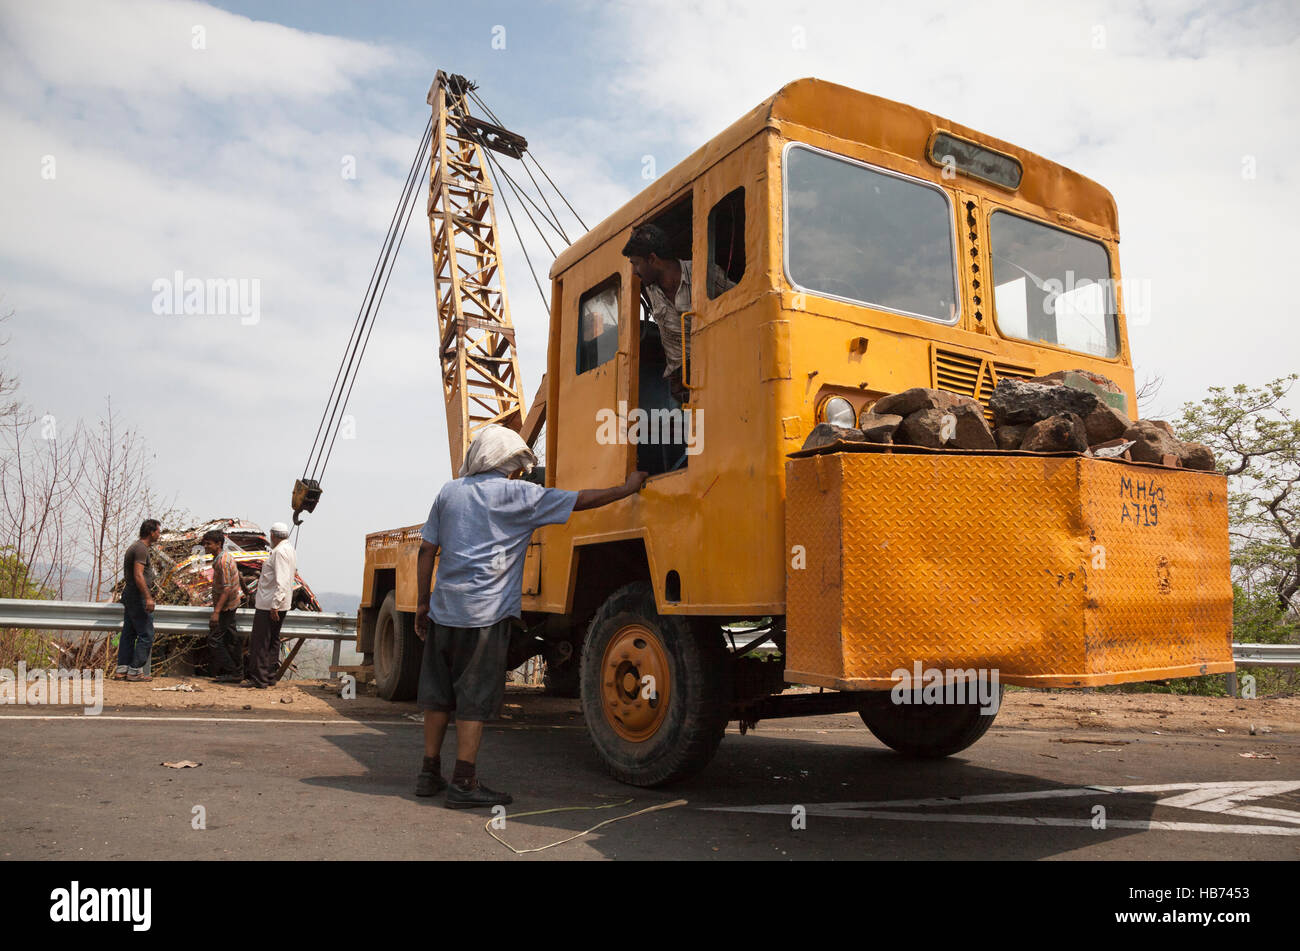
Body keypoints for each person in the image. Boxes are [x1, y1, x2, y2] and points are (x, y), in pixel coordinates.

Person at [414, 424, 648, 808]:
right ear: (507, 462)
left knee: (438, 697)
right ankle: (464, 783)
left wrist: (423, 603)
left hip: (444, 611)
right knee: (473, 700)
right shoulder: (519, 494)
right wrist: (626, 488)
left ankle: (428, 773)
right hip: (484, 617)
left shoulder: (448, 492)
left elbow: (427, 551)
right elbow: (580, 500)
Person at [620, 223, 734, 404]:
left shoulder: (703, 274)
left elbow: (740, 303)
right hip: (681, 385)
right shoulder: (649, 287)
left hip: (716, 371)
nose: (634, 272)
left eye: (636, 264)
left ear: (652, 259)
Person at [244, 522, 296, 689]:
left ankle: (259, 679)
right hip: (280, 603)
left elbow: (281, 580)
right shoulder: (289, 549)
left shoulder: (279, 552)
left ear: (273, 535)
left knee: (260, 642)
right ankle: (269, 677)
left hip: (270, 605)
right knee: (273, 640)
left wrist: (274, 605)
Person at [116, 519, 161, 682]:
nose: (159, 535)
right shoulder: (141, 549)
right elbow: (138, 574)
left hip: (130, 595)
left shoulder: (135, 546)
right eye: (158, 532)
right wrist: (148, 597)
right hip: (137, 596)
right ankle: (135, 671)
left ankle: (122, 669)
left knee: (129, 632)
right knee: (147, 634)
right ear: (151, 532)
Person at [202, 529, 244, 683]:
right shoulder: (224, 557)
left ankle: (232, 672)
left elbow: (226, 588)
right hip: (231, 604)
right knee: (231, 639)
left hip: (226, 607)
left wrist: (216, 612)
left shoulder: (222, 562)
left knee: (214, 640)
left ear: (218, 544)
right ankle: (238, 671)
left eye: (209, 544)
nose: (206, 547)